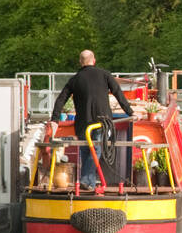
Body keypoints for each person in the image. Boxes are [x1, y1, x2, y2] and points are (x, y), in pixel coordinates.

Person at [49, 49, 134, 188]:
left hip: (83, 122)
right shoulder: (105, 75)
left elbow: (60, 99)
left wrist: (55, 119)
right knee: (96, 149)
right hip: (102, 121)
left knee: (86, 150)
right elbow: (118, 93)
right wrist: (130, 112)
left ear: (80, 62)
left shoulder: (75, 79)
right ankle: (86, 180)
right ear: (94, 60)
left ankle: (89, 183)